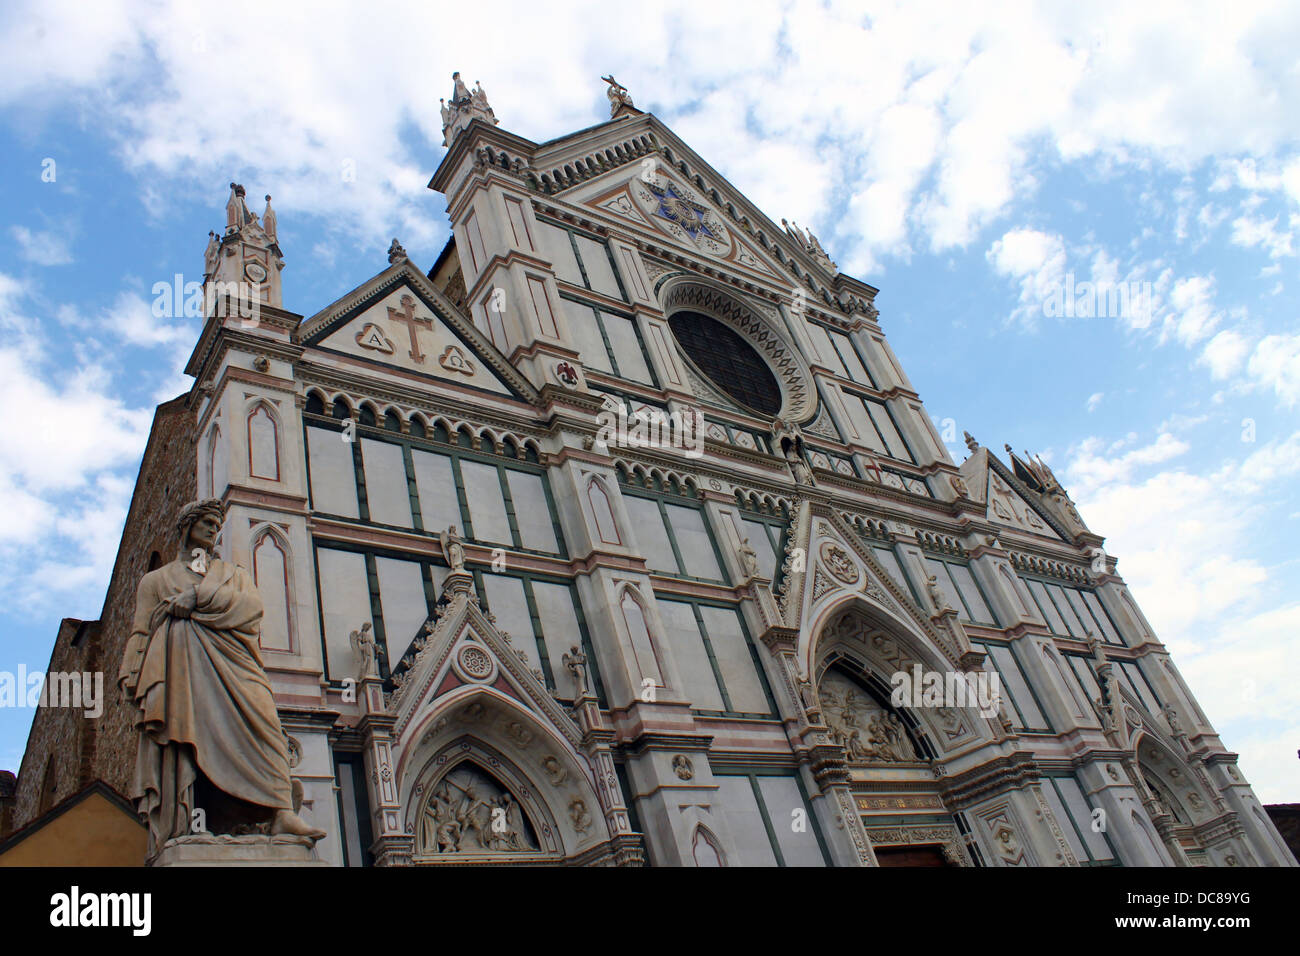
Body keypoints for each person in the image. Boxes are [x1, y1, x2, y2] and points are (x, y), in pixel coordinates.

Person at [119, 498, 325, 855]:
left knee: (266, 727)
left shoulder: (234, 574)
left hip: (236, 666)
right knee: (185, 738)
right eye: (207, 525)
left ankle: (280, 811)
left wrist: (198, 597)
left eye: (217, 526)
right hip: (180, 673)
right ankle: (192, 822)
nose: (214, 532)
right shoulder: (156, 580)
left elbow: (252, 608)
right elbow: (141, 630)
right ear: (187, 528)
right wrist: (132, 673)